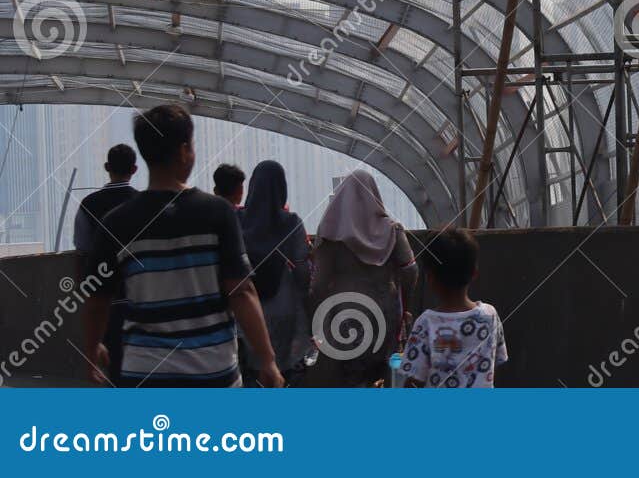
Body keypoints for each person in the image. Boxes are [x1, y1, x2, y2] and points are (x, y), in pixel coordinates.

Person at [82, 104, 283, 387]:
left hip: (145, 376)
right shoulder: (216, 213)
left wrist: (92, 351)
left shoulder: (118, 222)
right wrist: (267, 359)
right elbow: (241, 292)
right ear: (183, 150)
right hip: (212, 374)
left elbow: (97, 300)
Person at [305, 170, 417, 386]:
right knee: (387, 376)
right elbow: (410, 269)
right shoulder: (392, 230)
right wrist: (406, 306)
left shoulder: (330, 234)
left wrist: (314, 321)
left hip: (346, 316)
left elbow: (318, 286)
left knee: (352, 378)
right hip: (386, 313)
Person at [400, 228, 508, 388]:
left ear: (430, 278)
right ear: (474, 273)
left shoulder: (426, 323)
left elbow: (414, 381)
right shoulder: (490, 316)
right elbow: (497, 361)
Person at [238, 160, 312, 382]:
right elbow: (302, 271)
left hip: (246, 311)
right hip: (284, 307)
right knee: (284, 375)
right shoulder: (291, 222)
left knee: (250, 375)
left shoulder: (237, 220)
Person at [71, 143, 139, 383]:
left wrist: (84, 295)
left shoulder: (89, 205)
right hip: (143, 301)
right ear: (135, 169)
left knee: (115, 370)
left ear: (107, 167)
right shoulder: (145, 204)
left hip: (106, 302)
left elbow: (82, 254)